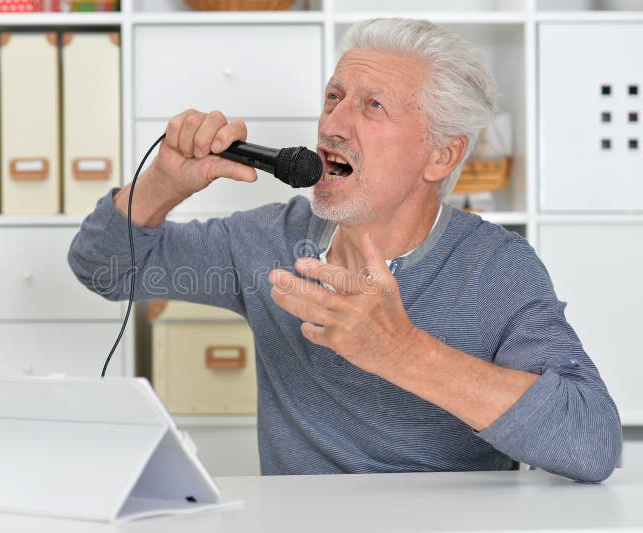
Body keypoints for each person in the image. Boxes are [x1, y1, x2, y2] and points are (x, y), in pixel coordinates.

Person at [68, 18, 621, 483]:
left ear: (441, 156)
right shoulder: (269, 241)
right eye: (333, 98)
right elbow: (104, 269)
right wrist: (162, 184)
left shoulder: (497, 267)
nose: (332, 123)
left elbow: (592, 443)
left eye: (372, 105)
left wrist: (402, 351)